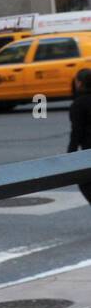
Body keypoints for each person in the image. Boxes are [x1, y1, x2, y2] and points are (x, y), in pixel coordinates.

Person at [70, 68, 91, 205]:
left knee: (86, 183)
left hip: (88, 153)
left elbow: (76, 133)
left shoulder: (78, 104)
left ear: (80, 83)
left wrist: (69, 156)